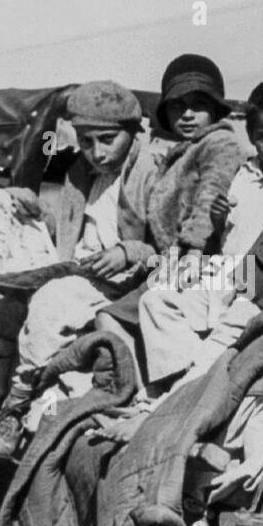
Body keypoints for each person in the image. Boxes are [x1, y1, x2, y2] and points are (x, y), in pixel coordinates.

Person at [0, 81, 155, 458]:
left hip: (122, 285)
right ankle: (19, 393)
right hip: (78, 275)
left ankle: (17, 403)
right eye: (87, 141)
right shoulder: (79, 173)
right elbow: (72, 239)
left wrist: (128, 252)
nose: (97, 152)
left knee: (52, 302)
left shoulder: (152, 171)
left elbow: (170, 248)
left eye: (107, 139)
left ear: (133, 130)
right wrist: (38, 213)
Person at [137, 79, 263, 391]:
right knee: (156, 301)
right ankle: (180, 381)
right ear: (251, 137)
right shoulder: (244, 175)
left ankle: (183, 392)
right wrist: (220, 222)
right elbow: (232, 237)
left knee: (218, 346)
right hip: (227, 276)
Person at [95, 53, 246, 367]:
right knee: (108, 320)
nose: (188, 114)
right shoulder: (178, 154)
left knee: (121, 317)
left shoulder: (219, 143)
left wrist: (192, 253)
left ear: (215, 108)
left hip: (204, 263)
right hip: (171, 264)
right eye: (178, 106)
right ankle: (136, 390)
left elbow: (210, 195)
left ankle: (167, 396)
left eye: (198, 105)